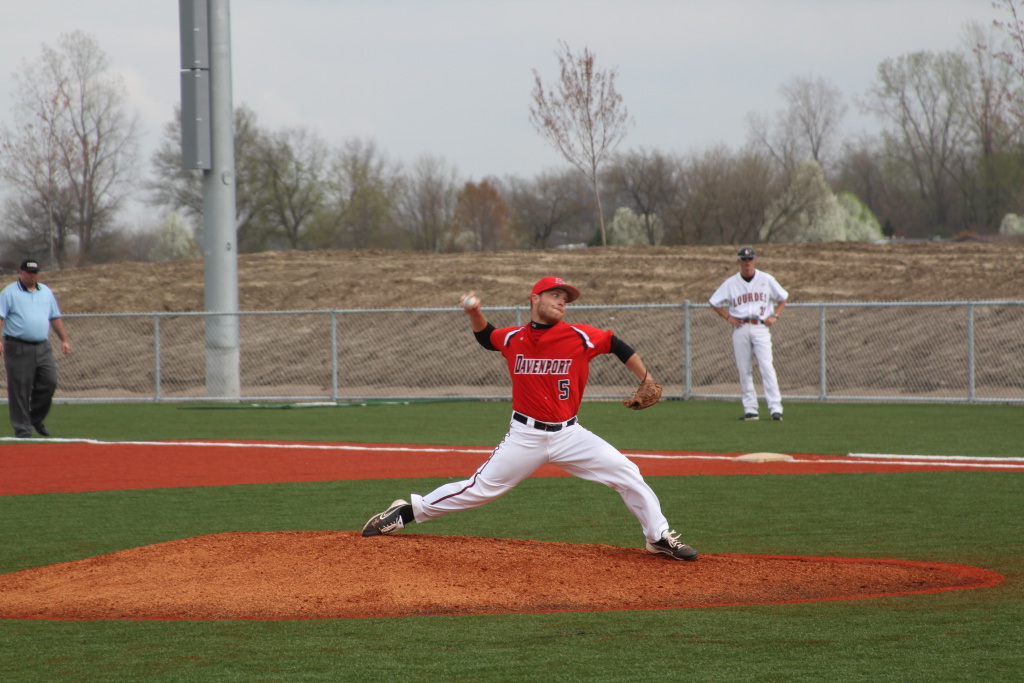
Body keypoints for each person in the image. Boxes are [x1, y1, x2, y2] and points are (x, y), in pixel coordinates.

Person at [361, 276, 698, 561]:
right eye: (555, 295)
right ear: (535, 298)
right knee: (479, 490)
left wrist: (646, 378)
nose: (562, 301)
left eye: (566, 298)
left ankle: (658, 537)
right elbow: (486, 337)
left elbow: (617, 344)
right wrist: (475, 312)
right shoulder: (513, 338)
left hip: (570, 435)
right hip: (526, 436)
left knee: (627, 473)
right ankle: (407, 511)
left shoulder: (580, 336)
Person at [709, 246, 788, 421]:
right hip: (741, 327)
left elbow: (783, 297)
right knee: (744, 369)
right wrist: (728, 317)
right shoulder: (731, 282)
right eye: (744, 259)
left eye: (750, 259)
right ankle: (751, 409)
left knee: (766, 367)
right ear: (739, 261)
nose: (747, 262)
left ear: (755, 260)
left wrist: (775, 315)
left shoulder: (766, 279)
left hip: (760, 326)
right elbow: (714, 301)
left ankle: (776, 408)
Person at [0, 259, 71, 438]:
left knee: (49, 382)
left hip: (42, 346)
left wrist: (64, 339)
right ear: (21, 272)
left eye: (35, 272)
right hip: (18, 346)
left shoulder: (45, 291)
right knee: (20, 389)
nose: (33, 275)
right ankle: (22, 429)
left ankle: (35, 419)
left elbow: (54, 317)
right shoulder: (9, 293)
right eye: (29, 272)